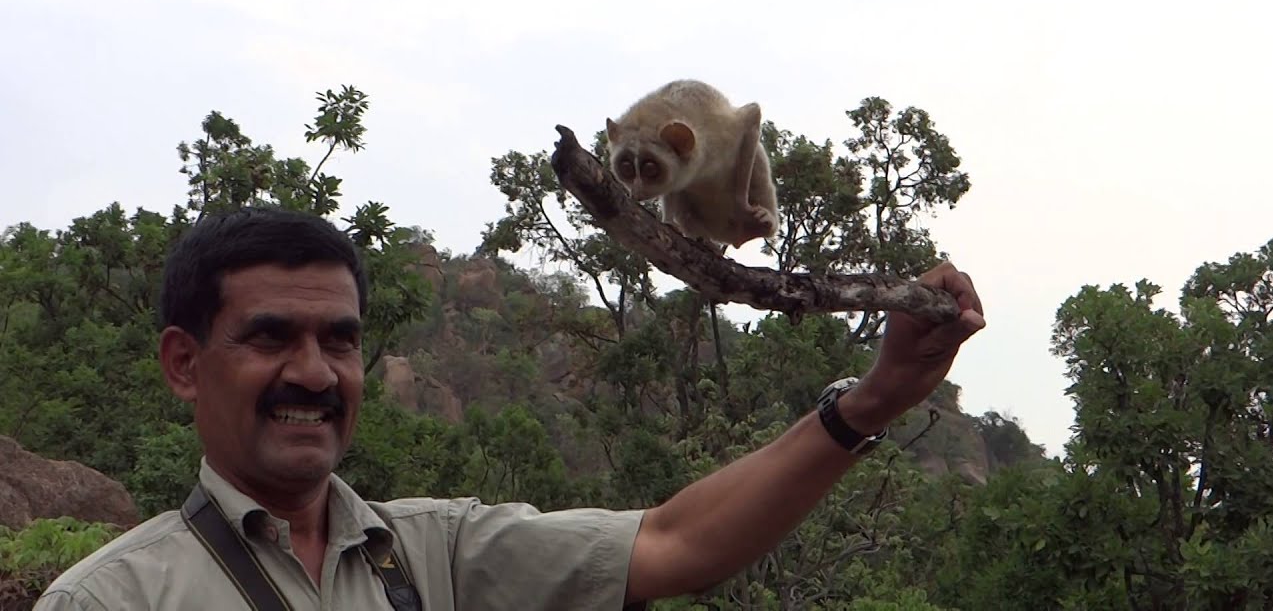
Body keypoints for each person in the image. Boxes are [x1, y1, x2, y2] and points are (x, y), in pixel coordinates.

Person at [34, 205, 985, 610]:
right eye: (271, 337)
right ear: (184, 364)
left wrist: (873, 399)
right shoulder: (112, 599)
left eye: (342, 341)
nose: (315, 374)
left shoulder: (434, 556)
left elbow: (677, 546)